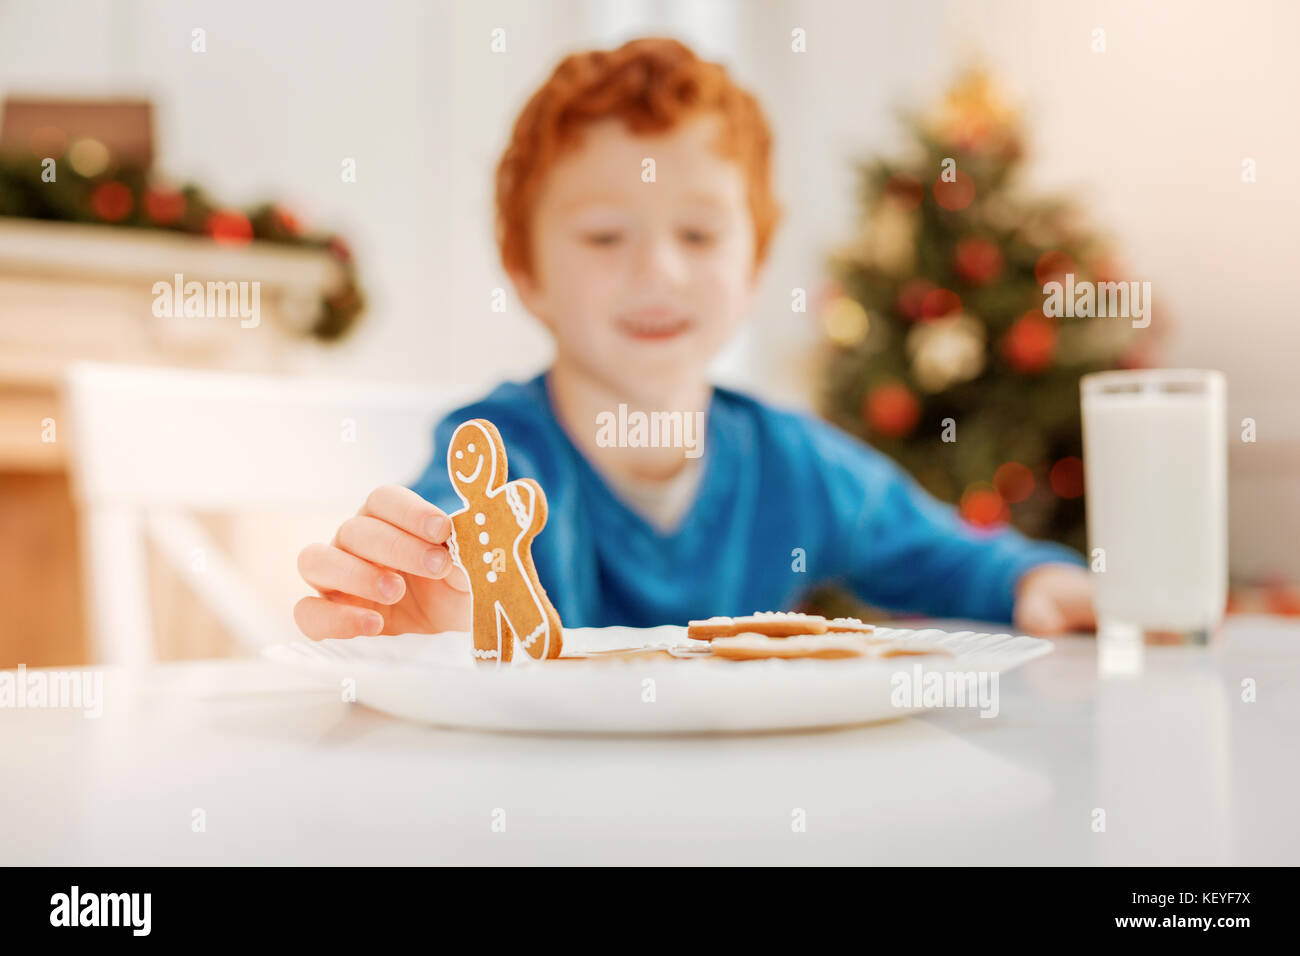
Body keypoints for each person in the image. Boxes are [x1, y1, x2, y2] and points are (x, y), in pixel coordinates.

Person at [294, 37, 1095, 643]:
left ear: (754, 266)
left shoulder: (792, 464)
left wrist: (1035, 581)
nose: (660, 271)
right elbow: (447, 549)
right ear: (526, 270)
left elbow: (947, 555)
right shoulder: (500, 454)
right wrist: (423, 602)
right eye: (606, 236)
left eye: (702, 234)